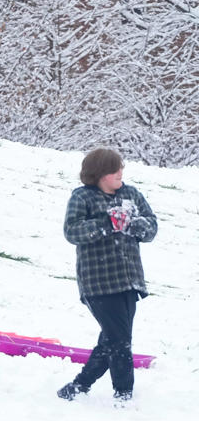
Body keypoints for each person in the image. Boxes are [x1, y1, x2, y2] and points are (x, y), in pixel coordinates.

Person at [58, 148, 157, 403]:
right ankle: (124, 394)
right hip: (98, 283)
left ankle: (78, 386)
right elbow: (72, 232)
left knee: (113, 339)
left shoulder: (131, 194)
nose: (120, 173)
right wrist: (107, 223)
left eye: (120, 168)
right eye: (115, 170)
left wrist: (131, 224)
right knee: (120, 340)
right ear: (100, 174)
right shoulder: (83, 197)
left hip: (129, 280)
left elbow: (151, 227)